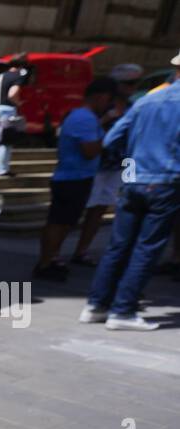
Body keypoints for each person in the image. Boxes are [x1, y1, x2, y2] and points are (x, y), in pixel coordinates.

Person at [81, 54, 180, 331]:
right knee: (147, 248)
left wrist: (132, 164)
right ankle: (123, 310)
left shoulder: (146, 99)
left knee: (118, 245)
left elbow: (112, 140)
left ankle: (96, 305)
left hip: (133, 179)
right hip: (166, 181)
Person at [33, 78, 118, 280]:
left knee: (64, 222)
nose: (109, 105)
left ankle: (51, 259)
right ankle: (45, 263)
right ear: (101, 97)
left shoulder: (85, 117)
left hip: (77, 177)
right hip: (72, 178)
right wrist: (108, 137)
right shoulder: (85, 119)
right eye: (109, 100)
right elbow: (90, 150)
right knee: (58, 222)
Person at [70, 63, 144, 266]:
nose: (132, 88)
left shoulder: (132, 107)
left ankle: (82, 250)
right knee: (81, 207)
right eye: (128, 83)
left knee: (101, 208)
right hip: (95, 163)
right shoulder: (102, 106)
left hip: (118, 164)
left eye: (135, 83)